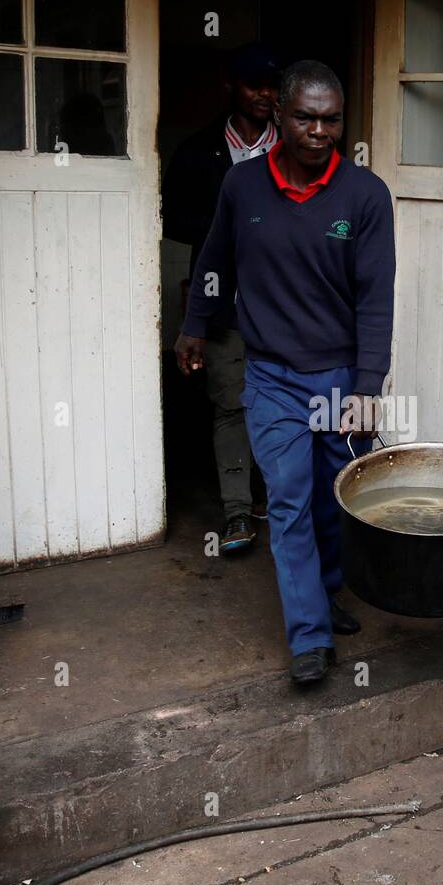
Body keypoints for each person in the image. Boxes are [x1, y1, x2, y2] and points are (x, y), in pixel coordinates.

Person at [175, 60, 396, 684]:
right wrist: (195, 325)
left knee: (332, 500)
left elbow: (377, 297)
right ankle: (309, 636)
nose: (318, 131)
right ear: (279, 116)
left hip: (337, 376)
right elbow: (215, 258)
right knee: (291, 500)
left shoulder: (365, 196)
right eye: (305, 117)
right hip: (270, 376)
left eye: (330, 119)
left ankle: (325, 592)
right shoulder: (243, 188)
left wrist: (367, 387)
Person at [162, 42, 281, 554]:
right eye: (254, 84)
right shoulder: (198, 151)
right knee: (231, 405)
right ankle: (237, 513)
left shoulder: (299, 150)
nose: (265, 95)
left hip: (286, 306)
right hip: (224, 302)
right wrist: (231, 226)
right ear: (229, 86)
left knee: (282, 406)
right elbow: (172, 219)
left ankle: (271, 500)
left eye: (273, 85)